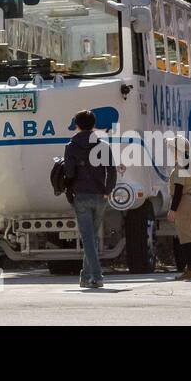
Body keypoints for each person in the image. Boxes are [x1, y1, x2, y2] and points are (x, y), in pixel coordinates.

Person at [62, 109, 116, 289]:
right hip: (101, 195)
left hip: (81, 196)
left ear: (77, 126)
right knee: (92, 237)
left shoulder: (71, 146)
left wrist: (69, 190)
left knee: (88, 238)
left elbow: (69, 173)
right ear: (93, 125)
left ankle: (97, 276)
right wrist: (108, 190)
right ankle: (85, 277)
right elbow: (112, 170)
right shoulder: (103, 146)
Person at [166, 135, 191, 281]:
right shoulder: (190, 164)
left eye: (172, 148)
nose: (171, 151)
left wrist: (172, 209)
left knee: (186, 238)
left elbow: (178, 189)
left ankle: (190, 269)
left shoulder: (180, 165)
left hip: (183, 202)